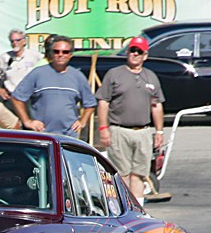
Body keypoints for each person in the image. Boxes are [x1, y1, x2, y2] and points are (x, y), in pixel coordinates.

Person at [95, 36, 165, 206]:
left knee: (139, 173)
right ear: (127, 52)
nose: (135, 54)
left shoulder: (151, 77)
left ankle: (138, 209)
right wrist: (103, 128)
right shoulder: (114, 74)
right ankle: (125, 208)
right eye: (132, 50)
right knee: (122, 173)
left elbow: (156, 106)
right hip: (119, 130)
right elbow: (103, 102)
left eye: (139, 51)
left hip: (143, 131)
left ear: (145, 55)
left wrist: (159, 131)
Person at [10, 35, 96, 138]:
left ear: (70, 54)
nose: (60, 55)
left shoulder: (78, 76)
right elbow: (17, 98)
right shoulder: (38, 73)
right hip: (41, 135)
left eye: (65, 52)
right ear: (51, 53)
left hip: (69, 136)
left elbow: (90, 104)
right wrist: (27, 121)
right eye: (56, 51)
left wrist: (82, 121)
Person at [0, 28, 42, 111]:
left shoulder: (35, 55)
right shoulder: (4, 57)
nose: (15, 43)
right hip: (12, 98)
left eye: (18, 40)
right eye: (12, 41)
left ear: (24, 41)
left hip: (32, 98)